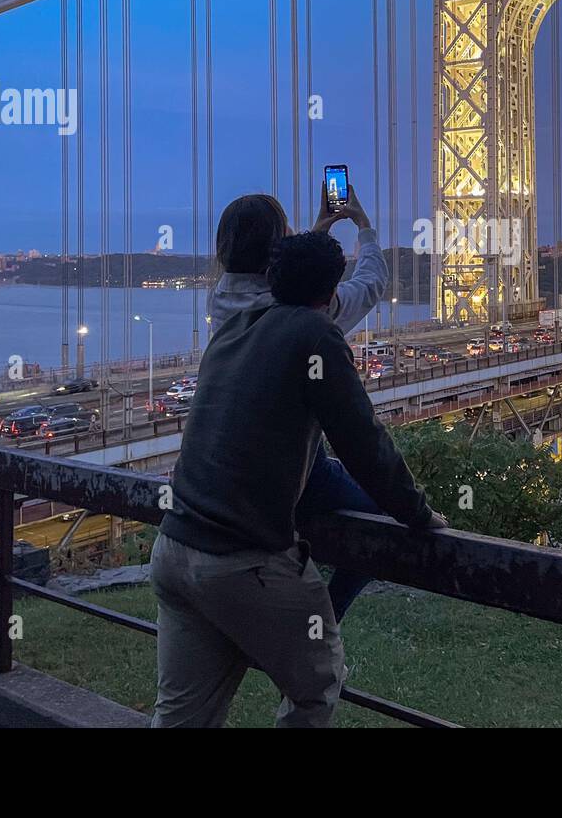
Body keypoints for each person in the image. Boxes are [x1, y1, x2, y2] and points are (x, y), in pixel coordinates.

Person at [151, 230, 445, 728]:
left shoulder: (234, 326)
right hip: (243, 561)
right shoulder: (315, 335)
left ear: (270, 278)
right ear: (331, 296)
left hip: (174, 552)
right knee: (317, 684)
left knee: (182, 716)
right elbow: (363, 442)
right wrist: (418, 513)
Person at [206, 185, 385, 620]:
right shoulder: (307, 316)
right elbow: (370, 284)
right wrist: (364, 228)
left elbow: (280, 274)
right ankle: (328, 615)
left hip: (219, 475)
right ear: (278, 247)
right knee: (383, 523)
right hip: (289, 474)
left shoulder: (220, 297)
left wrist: (317, 231)